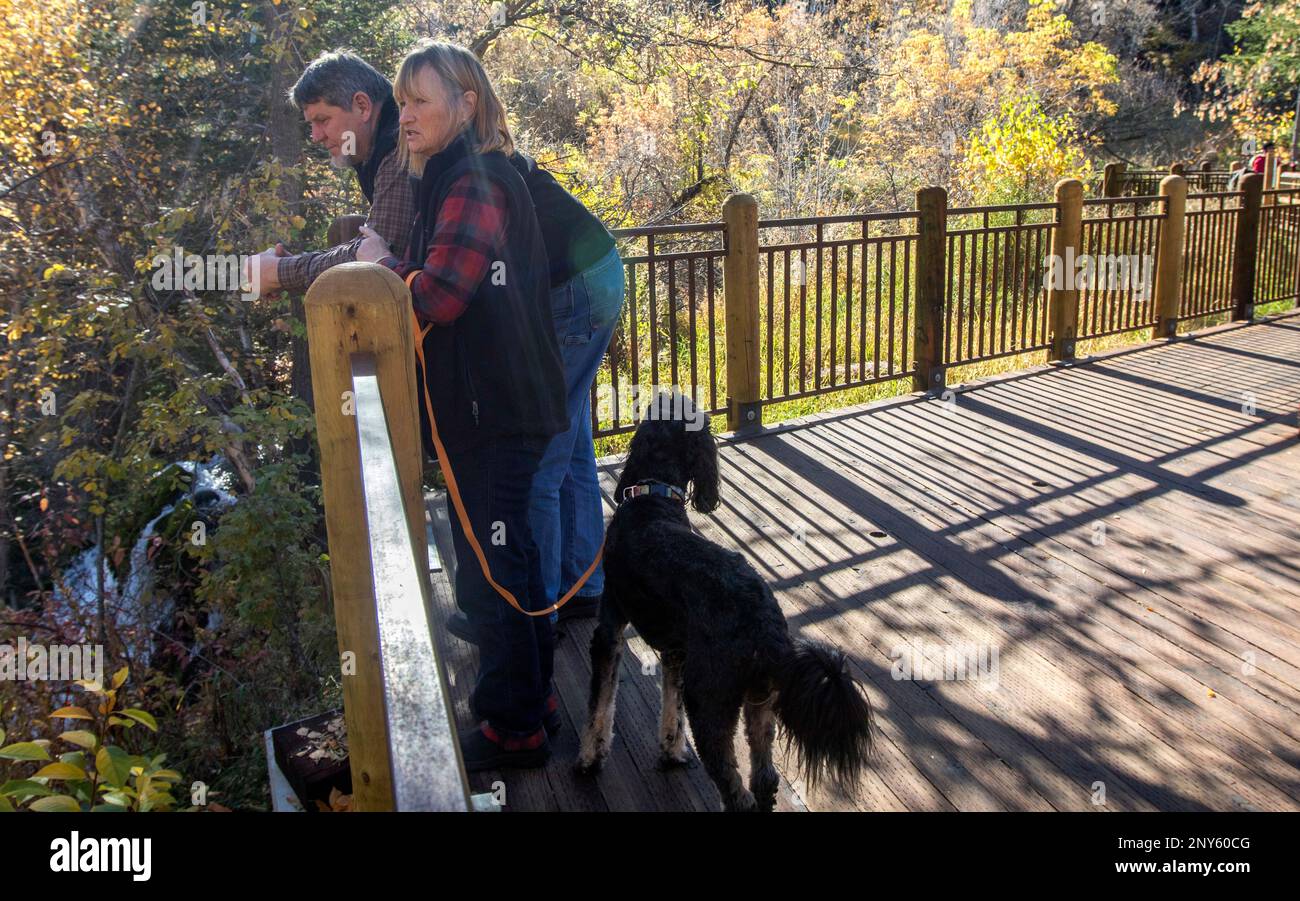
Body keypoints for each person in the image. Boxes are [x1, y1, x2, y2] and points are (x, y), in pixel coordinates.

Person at [355, 39, 567, 770]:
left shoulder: (474, 181)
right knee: (515, 559)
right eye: (401, 101)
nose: (403, 114)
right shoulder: (462, 176)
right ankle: (536, 701)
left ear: (466, 105)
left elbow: (443, 294)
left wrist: (384, 270)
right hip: (506, 408)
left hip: (494, 413)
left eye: (419, 101)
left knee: (490, 570)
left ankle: (514, 729)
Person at [443, 137, 625, 647]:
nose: (408, 114)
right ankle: (585, 585)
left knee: (542, 453)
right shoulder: (488, 157)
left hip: (575, 291)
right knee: (571, 444)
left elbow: (450, 282)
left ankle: (539, 612)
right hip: (597, 275)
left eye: (418, 102)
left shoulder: (468, 169)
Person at [247, 50, 415, 293]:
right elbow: (367, 250)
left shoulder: (397, 144)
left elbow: (376, 262)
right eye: (311, 124)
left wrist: (277, 272)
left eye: (323, 120)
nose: (315, 137)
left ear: (362, 106)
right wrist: (292, 268)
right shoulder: (372, 146)